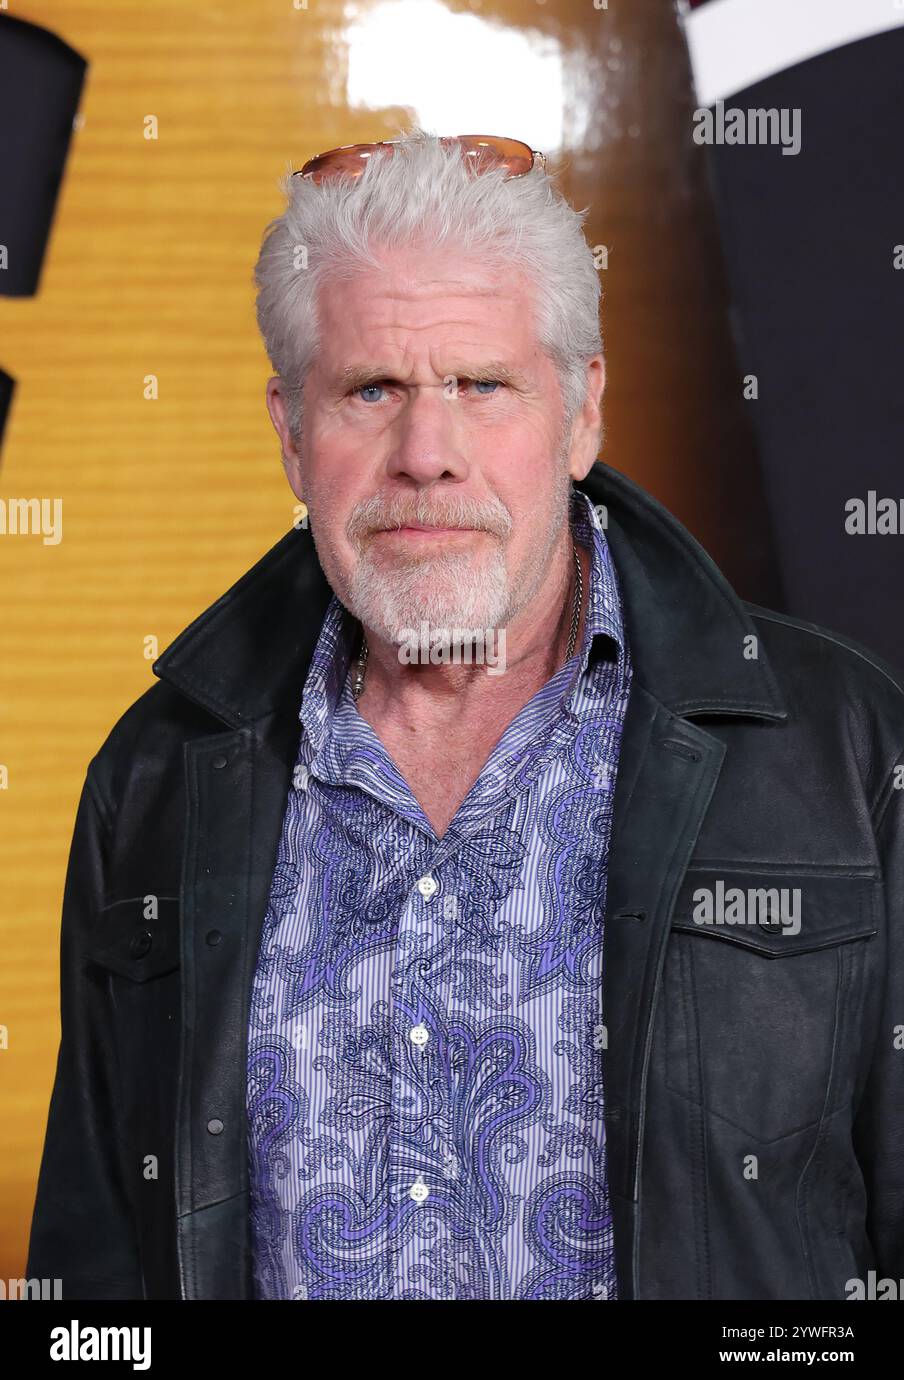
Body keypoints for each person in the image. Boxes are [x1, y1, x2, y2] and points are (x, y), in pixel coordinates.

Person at [26, 127, 904, 1300]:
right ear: (290, 431)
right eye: (370, 389)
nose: (425, 453)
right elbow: (95, 1298)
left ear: (582, 411)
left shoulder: (843, 748)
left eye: (481, 385)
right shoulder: (154, 777)